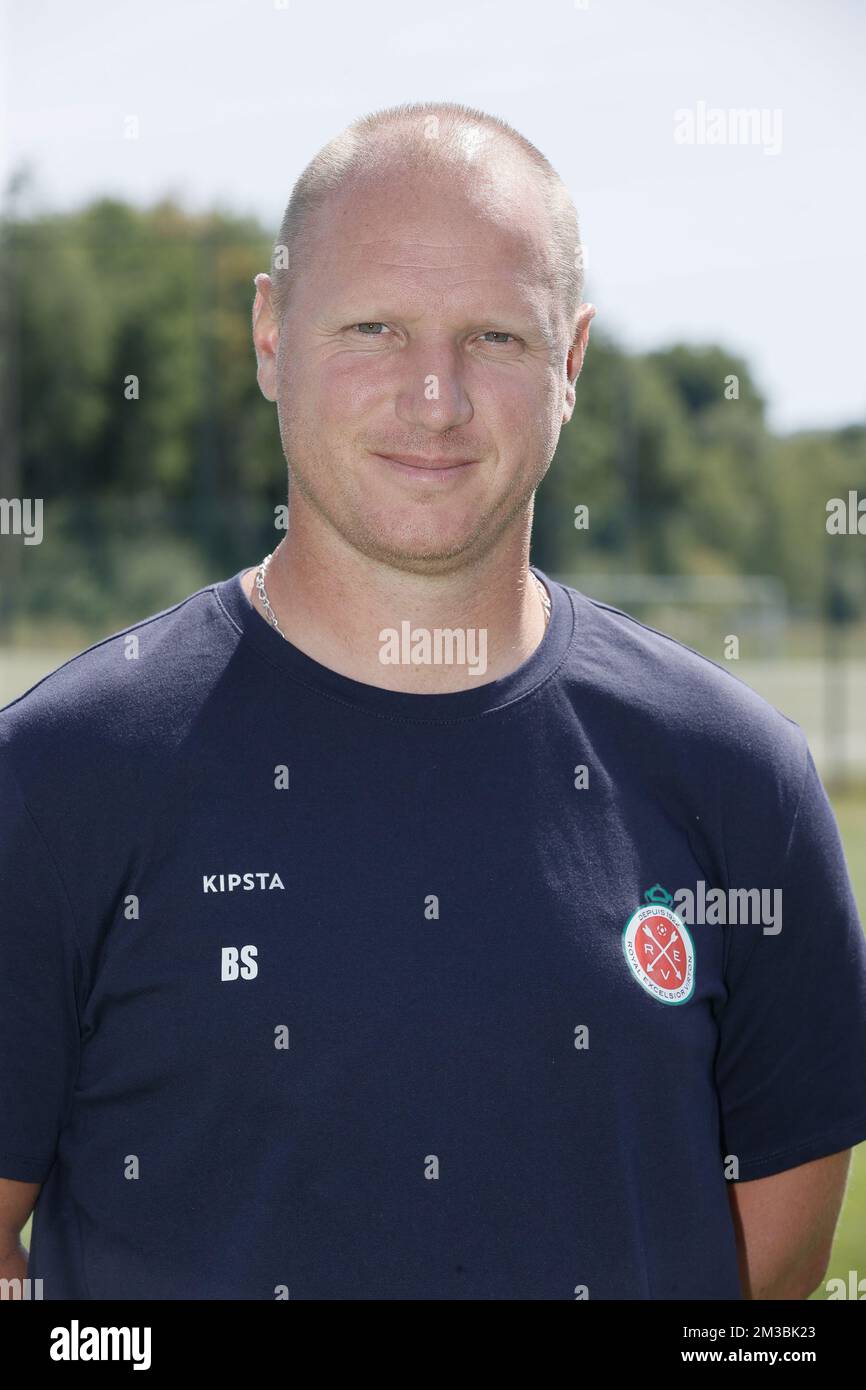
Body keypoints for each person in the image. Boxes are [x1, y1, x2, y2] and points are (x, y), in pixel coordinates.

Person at [2, 100, 866, 1302]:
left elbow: (765, 1277)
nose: (434, 396)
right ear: (268, 331)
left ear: (569, 362)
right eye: (373, 327)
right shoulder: (56, 774)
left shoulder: (740, 781)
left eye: (495, 341)